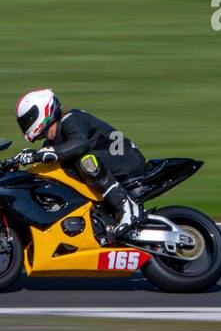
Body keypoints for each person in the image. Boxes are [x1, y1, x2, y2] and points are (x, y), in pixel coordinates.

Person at [13, 89, 145, 235]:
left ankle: (126, 207)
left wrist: (41, 154)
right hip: (107, 164)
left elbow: (80, 144)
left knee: (86, 161)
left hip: (127, 157)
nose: (26, 125)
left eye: (28, 119)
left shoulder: (71, 118)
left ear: (42, 110)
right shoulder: (52, 142)